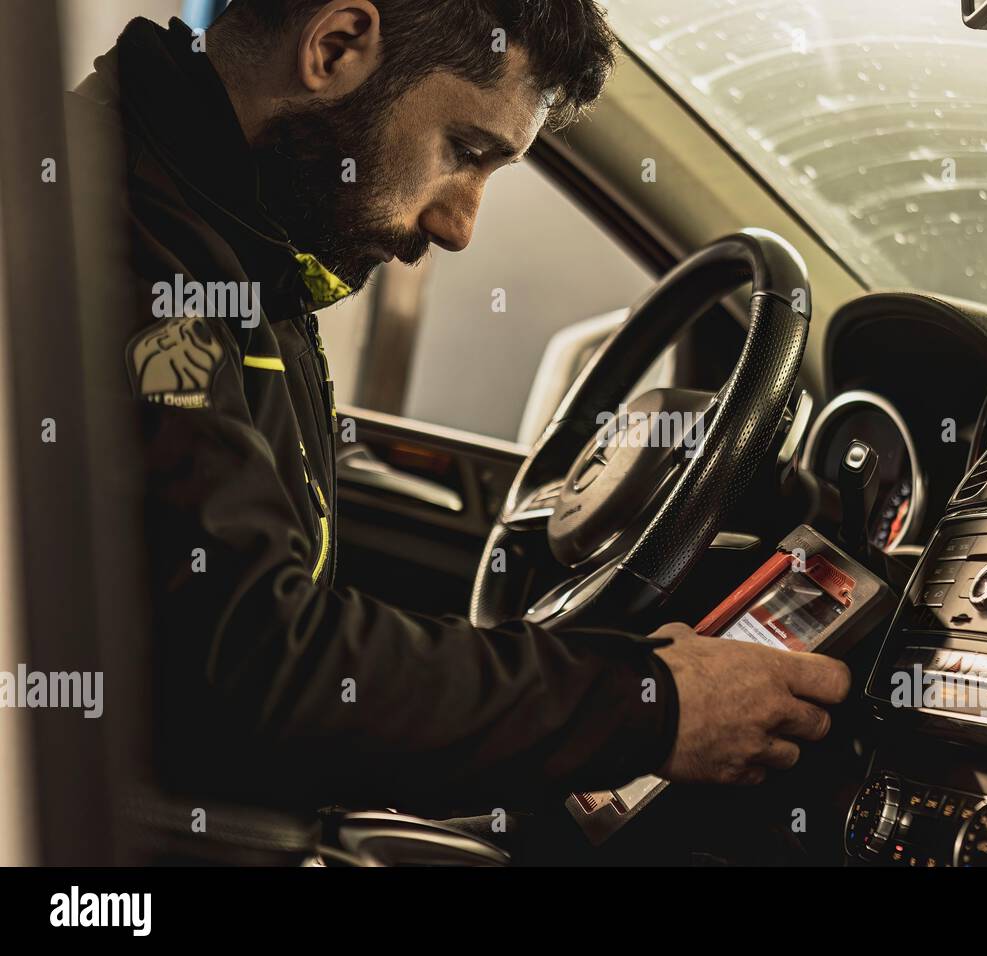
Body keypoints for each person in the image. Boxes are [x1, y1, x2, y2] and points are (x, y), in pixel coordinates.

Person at [67, 0, 850, 816]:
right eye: (466, 151)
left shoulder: (236, 245)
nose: (460, 225)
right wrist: (644, 705)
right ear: (336, 47)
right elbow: (250, 667)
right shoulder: (116, 247)